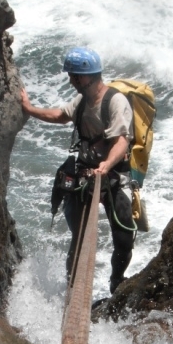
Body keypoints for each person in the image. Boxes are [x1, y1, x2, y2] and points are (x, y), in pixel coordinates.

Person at [20, 47, 135, 293]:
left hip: (114, 174)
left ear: (89, 76)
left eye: (75, 76)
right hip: (85, 174)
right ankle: (73, 288)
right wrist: (29, 109)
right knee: (79, 237)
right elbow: (60, 116)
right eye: (71, 76)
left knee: (124, 236)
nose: (71, 81)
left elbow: (121, 141)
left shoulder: (115, 102)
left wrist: (106, 164)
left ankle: (116, 281)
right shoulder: (82, 102)